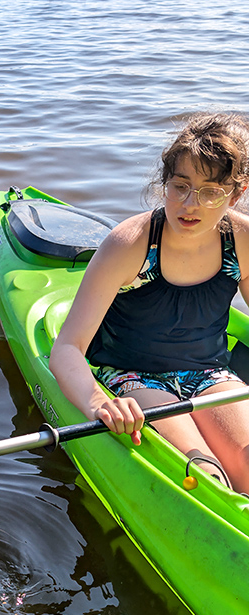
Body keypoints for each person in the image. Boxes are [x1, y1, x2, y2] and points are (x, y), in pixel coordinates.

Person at [49, 112, 249, 493]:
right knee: (206, 477)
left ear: (236, 194)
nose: (190, 204)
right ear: (165, 184)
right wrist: (97, 403)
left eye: (210, 192)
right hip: (133, 375)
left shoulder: (242, 240)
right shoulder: (130, 244)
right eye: (180, 186)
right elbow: (67, 349)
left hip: (209, 373)